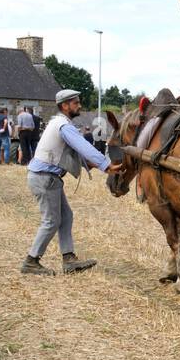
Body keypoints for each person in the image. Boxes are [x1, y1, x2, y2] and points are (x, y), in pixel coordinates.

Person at [21, 88, 123, 276]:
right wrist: (105, 164)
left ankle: (69, 260)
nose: (80, 105)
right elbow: (83, 146)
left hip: (47, 178)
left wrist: (96, 164)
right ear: (65, 106)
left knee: (66, 217)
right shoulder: (63, 126)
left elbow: (74, 154)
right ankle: (31, 261)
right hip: (45, 178)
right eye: (76, 103)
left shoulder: (60, 124)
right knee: (51, 221)